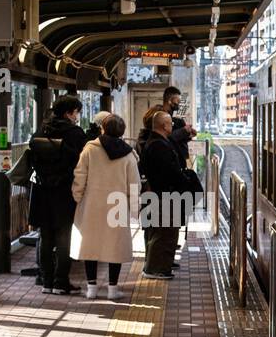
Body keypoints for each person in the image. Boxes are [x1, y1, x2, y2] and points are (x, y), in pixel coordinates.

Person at [72, 113, 139, 300]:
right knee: (114, 246)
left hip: (92, 202)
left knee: (90, 244)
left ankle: (91, 288)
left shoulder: (90, 150)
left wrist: (78, 197)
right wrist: (134, 209)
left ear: (102, 128)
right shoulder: (129, 154)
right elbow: (134, 184)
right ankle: (112, 289)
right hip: (117, 204)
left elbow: (80, 176)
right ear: (122, 131)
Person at [28, 95, 89, 295]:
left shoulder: (42, 130)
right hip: (64, 191)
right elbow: (81, 161)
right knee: (64, 237)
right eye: (76, 112)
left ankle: (46, 281)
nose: (77, 116)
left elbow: (33, 157)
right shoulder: (75, 133)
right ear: (69, 112)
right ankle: (60, 281)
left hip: (43, 190)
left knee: (46, 236)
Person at [139, 110, 196, 279]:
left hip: (160, 193)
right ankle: (155, 269)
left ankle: (159, 266)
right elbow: (169, 171)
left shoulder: (156, 142)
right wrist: (184, 181)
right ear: (164, 125)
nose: (172, 126)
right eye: (170, 123)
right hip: (163, 195)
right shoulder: (159, 146)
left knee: (160, 232)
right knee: (164, 233)